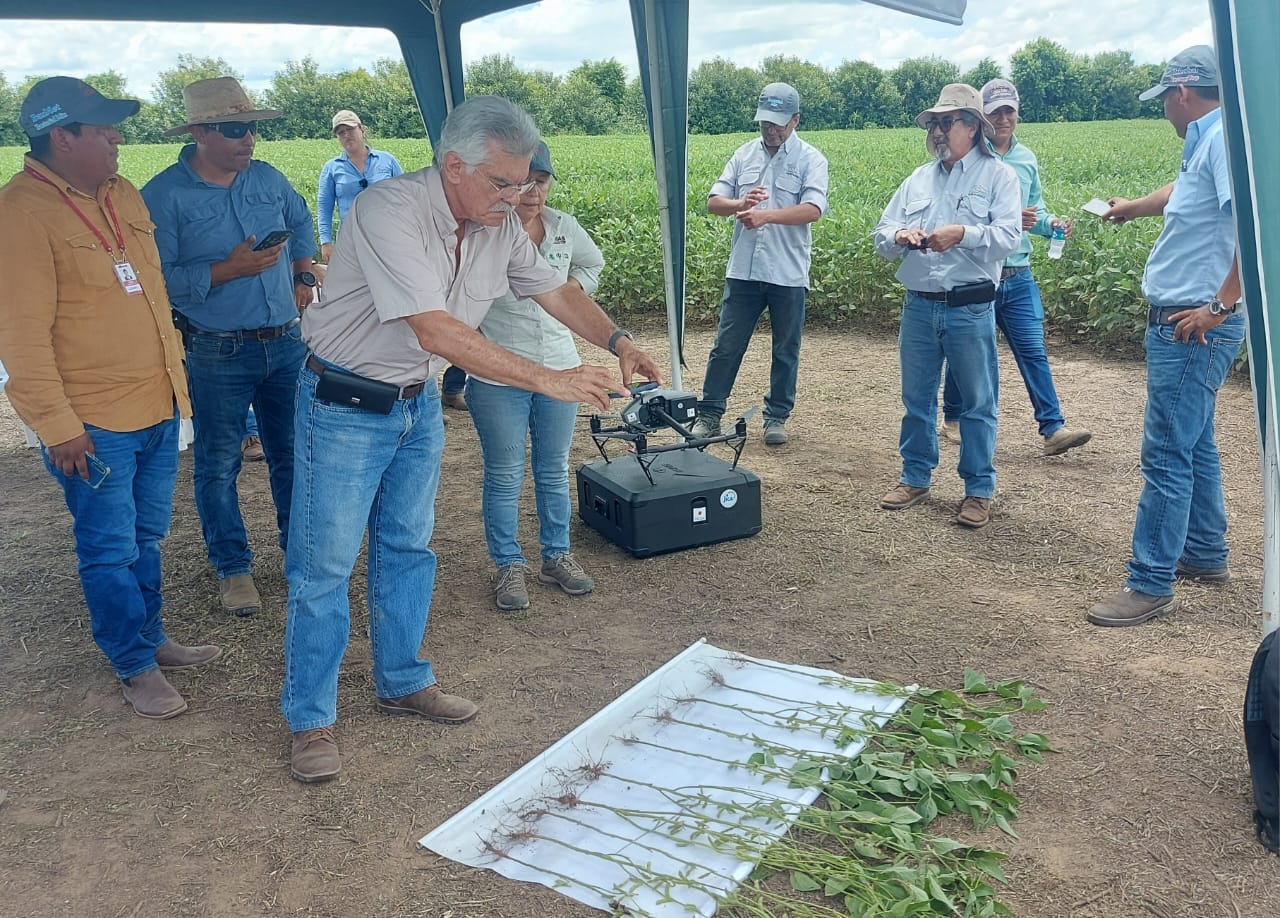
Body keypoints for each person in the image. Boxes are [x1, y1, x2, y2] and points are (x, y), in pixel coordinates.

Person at [282, 95, 662, 784]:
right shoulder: (388, 210)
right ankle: (311, 718)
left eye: (525, 183)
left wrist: (619, 340)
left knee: (406, 548)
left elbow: (555, 290)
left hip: (416, 403)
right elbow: (436, 330)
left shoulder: (499, 225)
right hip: (342, 404)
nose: (518, 197)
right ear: (454, 166)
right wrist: (549, 378)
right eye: (503, 183)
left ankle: (401, 680)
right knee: (325, 567)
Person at [0, 77, 219, 719]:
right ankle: (132, 663)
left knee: (146, 536)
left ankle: (151, 638)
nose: (117, 138)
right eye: (102, 129)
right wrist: (58, 426)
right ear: (61, 137)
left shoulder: (120, 192)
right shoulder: (19, 214)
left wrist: (178, 391)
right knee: (108, 546)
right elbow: (21, 337)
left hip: (155, 401)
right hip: (93, 423)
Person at [142, 77, 318, 617]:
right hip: (215, 350)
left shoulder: (267, 178)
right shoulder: (164, 195)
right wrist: (228, 270)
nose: (249, 141)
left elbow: (301, 222)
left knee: (294, 455)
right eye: (236, 129)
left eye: (253, 129)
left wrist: (304, 276)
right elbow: (157, 279)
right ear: (199, 132)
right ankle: (233, 568)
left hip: (285, 344)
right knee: (219, 463)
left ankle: (300, 556)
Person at [1086, 46, 1245, 627]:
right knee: (1194, 440)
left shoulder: (1223, 139)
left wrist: (1220, 307)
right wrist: (1131, 209)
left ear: (1182, 93)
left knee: (1167, 453)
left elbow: (1253, 229)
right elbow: (1183, 196)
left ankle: (1150, 580)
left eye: (1164, 102)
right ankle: (1203, 552)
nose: (1164, 113)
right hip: (1192, 317)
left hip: (1194, 323)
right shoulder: (1208, 140)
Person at [872, 84, 1022, 529]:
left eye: (947, 121)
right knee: (916, 399)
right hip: (919, 305)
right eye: (934, 123)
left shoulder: (999, 178)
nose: (938, 131)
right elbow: (882, 234)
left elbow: (1010, 239)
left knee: (977, 403)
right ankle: (915, 477)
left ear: (973, 127)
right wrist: (899, 237)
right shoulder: (917, 179)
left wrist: (963, 233)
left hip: (970, 307)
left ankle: (978, 490)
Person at [465, 141, 605, 613]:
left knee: (552, 467)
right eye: (523, 183)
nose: (532, 192)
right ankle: (508, 564)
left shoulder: (564, 227)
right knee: (505, 473)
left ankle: (557, 555)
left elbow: (592, 265)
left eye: (541, 182)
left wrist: (573, 288)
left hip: (562, 365)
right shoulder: (487, 230)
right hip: (499, 371)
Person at [939, 78, 1092, 458]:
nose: (1003, 118)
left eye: (1009, 110)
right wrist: (1006, 218)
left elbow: (1034, 212)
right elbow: (957, 213)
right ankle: (953, 415)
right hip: (978, 273)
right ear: (982, 118)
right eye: (995, 112)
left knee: (1032, 350)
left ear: (1017, 113)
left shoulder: (1026, 159)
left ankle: (1053, 427)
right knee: (969, 349)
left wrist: (1050, 223)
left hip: (1018, 272)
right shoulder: (969, 158)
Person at [688, 82, 828, 446]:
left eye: (779, 123)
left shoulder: (811, 160)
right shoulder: (744, 155)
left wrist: (767, 217)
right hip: (744, 270)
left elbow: (813, 210)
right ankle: (709, 413)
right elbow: (714, 202)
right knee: (726, 344)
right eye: (765, 121)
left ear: (795, 120)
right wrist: (739, 205)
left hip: (788, 271)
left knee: (786, 347)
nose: (771, 129)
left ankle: (776, 416)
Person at [316, 109, 403, 265]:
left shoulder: (387, 161)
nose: (346, 135)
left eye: (350, 129)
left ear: (361, 129)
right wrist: (326, 242)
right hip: (351, 241)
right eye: (341, 133)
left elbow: (404, 197)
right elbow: (324, 207)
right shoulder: (331, 168)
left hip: (388, 237)